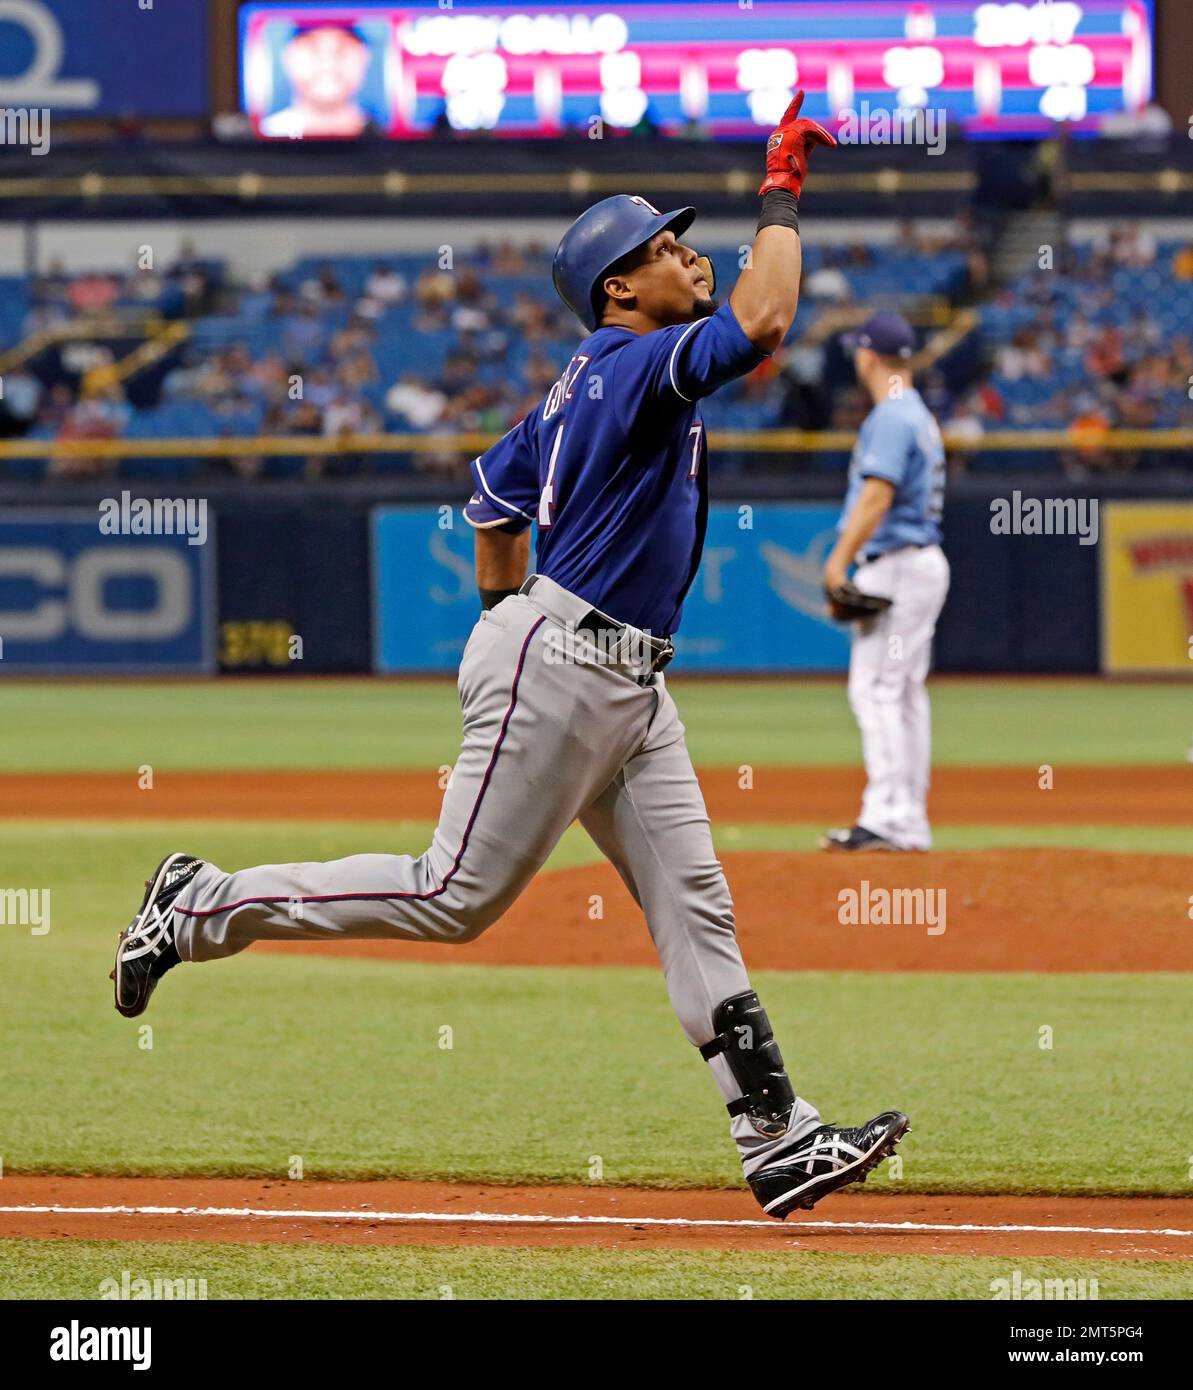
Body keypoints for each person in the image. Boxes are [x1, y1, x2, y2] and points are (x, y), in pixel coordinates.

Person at [111, 96, 909, 1221]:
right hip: (569, 661)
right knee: (452, 896)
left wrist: (498, 616)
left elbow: (488, 498)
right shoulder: (631, 366)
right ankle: (197, 906)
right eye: (666, 247)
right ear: (619, 290)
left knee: (695, 906)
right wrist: (778, 182)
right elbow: (766, 321)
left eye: (688, 239)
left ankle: (775, 1136)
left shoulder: (573, 383)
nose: (690, 254)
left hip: (616, 679)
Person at [820, 312, 950, 853]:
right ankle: (906, 817)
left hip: (896, 560)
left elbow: (877, 496)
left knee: (877, 690)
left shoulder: (893, 417)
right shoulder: (916, 413)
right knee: (902, 693)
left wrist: (837, 563)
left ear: (868, 357)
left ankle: (890, 818)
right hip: (918, 561)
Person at [260, 22, 374, 140]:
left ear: (364, 58)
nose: (328, 64)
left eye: (342, 48)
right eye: (313, 48)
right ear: (289, 57)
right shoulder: (267, 133)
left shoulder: (380, 133)